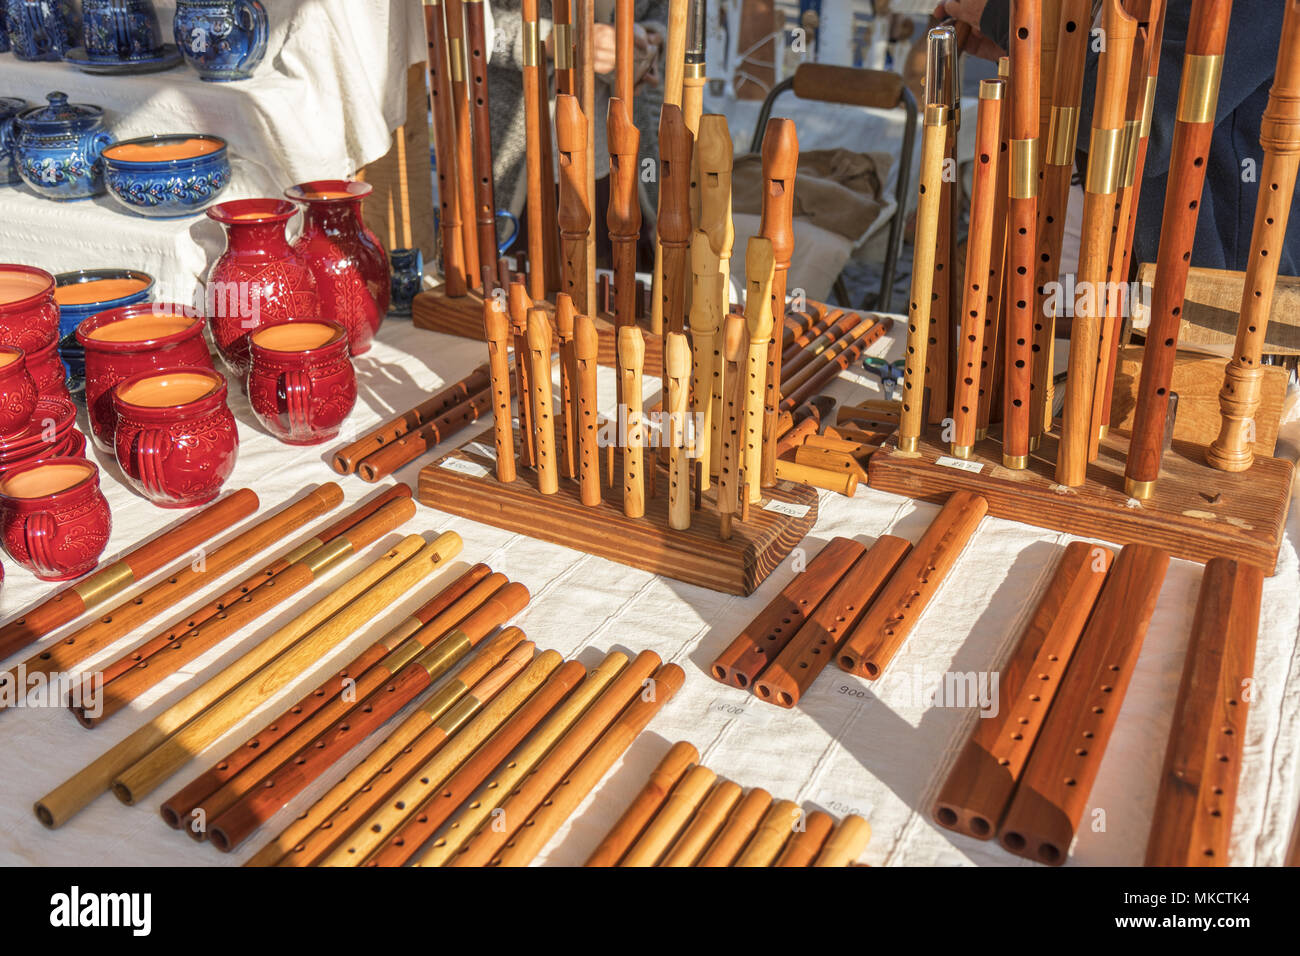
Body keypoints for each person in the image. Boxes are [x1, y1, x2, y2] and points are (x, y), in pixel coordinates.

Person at [934, 0, 1300, 276]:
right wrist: (1032, 48)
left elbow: (1148, 126)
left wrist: (1011, 19)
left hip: (1212, 309)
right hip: (1122, 280)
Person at [485, 2, 667, 268]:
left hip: (620, 163)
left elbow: (663, 11)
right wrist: (558, 42)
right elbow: (466, 25)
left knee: (618, 289)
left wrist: (651, 42)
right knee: (516, 289)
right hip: (519, 166)